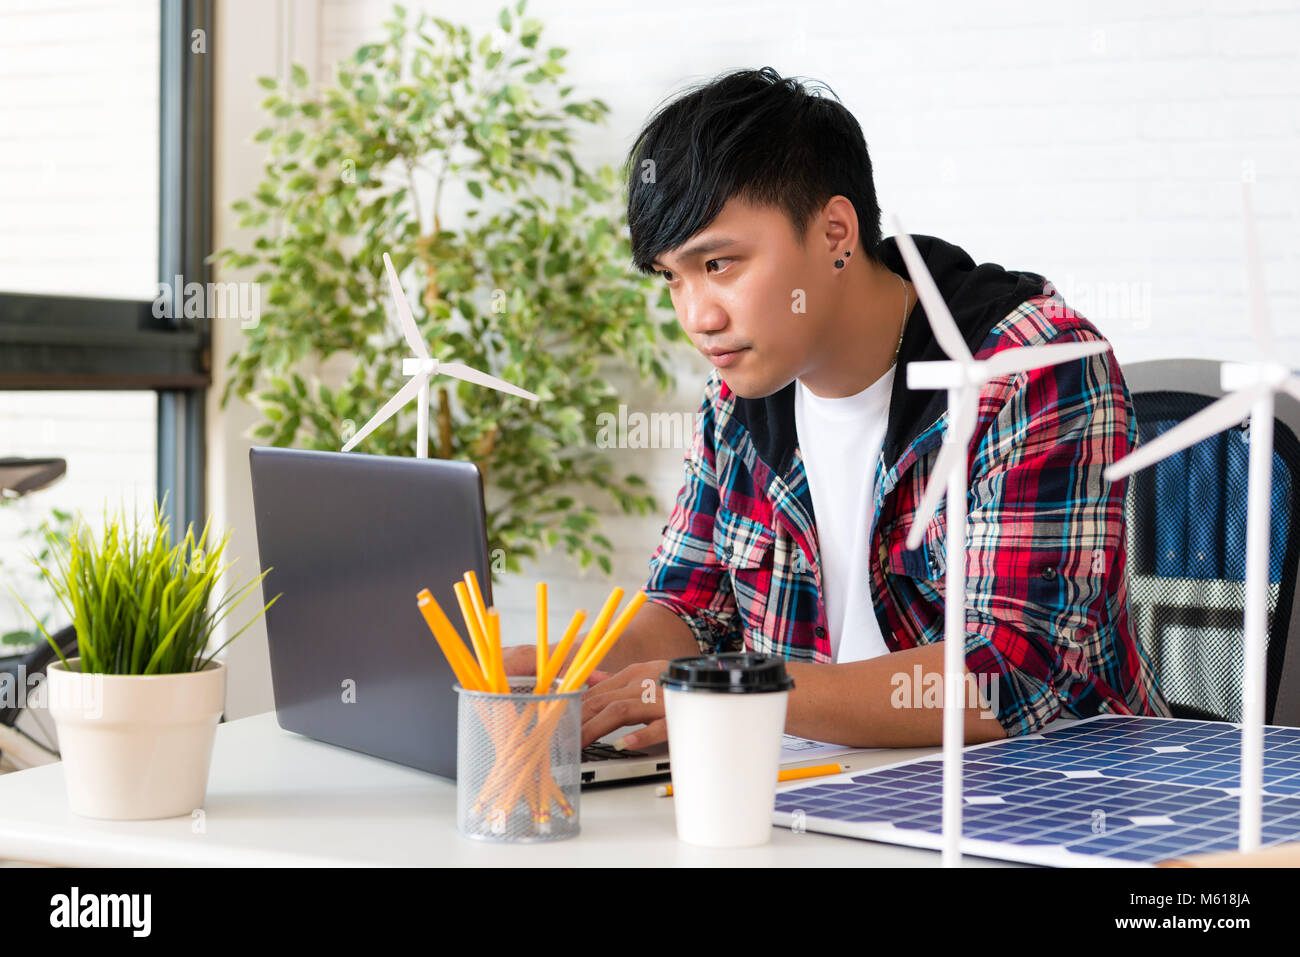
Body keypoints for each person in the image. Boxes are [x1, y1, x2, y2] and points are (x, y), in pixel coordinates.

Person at [506, 66, 1171, 750]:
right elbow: (690, 610)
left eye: (721, 265)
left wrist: (734, 689)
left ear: (834, 234)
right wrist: (572, 667)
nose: (696, 316)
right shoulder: (740, 397)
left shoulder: (1031, 365)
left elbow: (1013, 671)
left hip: (1054, 797)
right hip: (832, 795)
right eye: (672, 278)